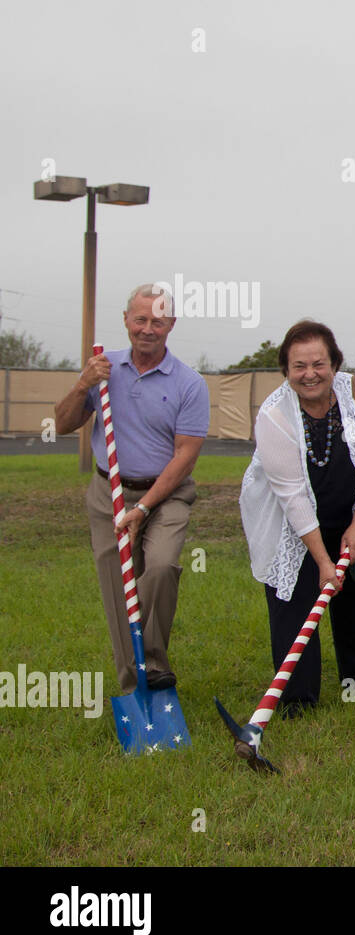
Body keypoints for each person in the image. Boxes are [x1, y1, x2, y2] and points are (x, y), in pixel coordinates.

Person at [53, 283, 209, 692]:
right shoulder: (103, 371)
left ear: (171, 325)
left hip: (166, 494)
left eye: (157, 321)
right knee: (118, 590)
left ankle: (153, 663)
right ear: (126, 320)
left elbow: (185, 457)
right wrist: (81, 383)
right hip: (109, 492)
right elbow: (64, 422)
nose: (147, 329)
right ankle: (132, 687)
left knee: (159, 566)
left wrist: (143, 509)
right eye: (140, 319)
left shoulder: (189, 384)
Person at [239, 320, 355, 711]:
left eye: (319, 364)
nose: (310, 374)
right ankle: (297, 699)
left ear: (335, 363)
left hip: (349, 515)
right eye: (299, 366)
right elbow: (291, 495)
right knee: (292, 605)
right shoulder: (274, 415)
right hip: (290, 525)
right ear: (286, 371)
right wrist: (323, 561)